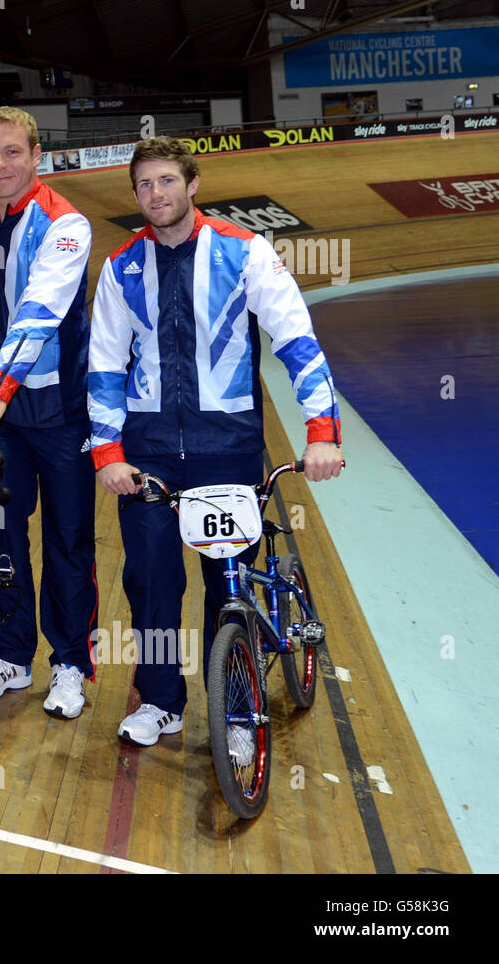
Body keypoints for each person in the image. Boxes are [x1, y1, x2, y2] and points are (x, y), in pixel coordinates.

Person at [89, 136, 344, 748]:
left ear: (193, 183)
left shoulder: (245, 252)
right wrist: (107, 452)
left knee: (226, 588)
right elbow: (101, 365)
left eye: (167, 181)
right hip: (147, 456)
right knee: (150, 585)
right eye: (144, 185)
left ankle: (236, 712)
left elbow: (296, 341)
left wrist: (322, 433)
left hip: (226, 450)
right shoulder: (122, 266)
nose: (156, 194)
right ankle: (159, 702)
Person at [0, 106, 99, 718]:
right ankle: (11, 654)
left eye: (12, 152)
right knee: (0, 535)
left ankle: (70, 664)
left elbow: (39, 311)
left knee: (68, 541)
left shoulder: (66, 224)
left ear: (37, 156)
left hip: (57, 410)